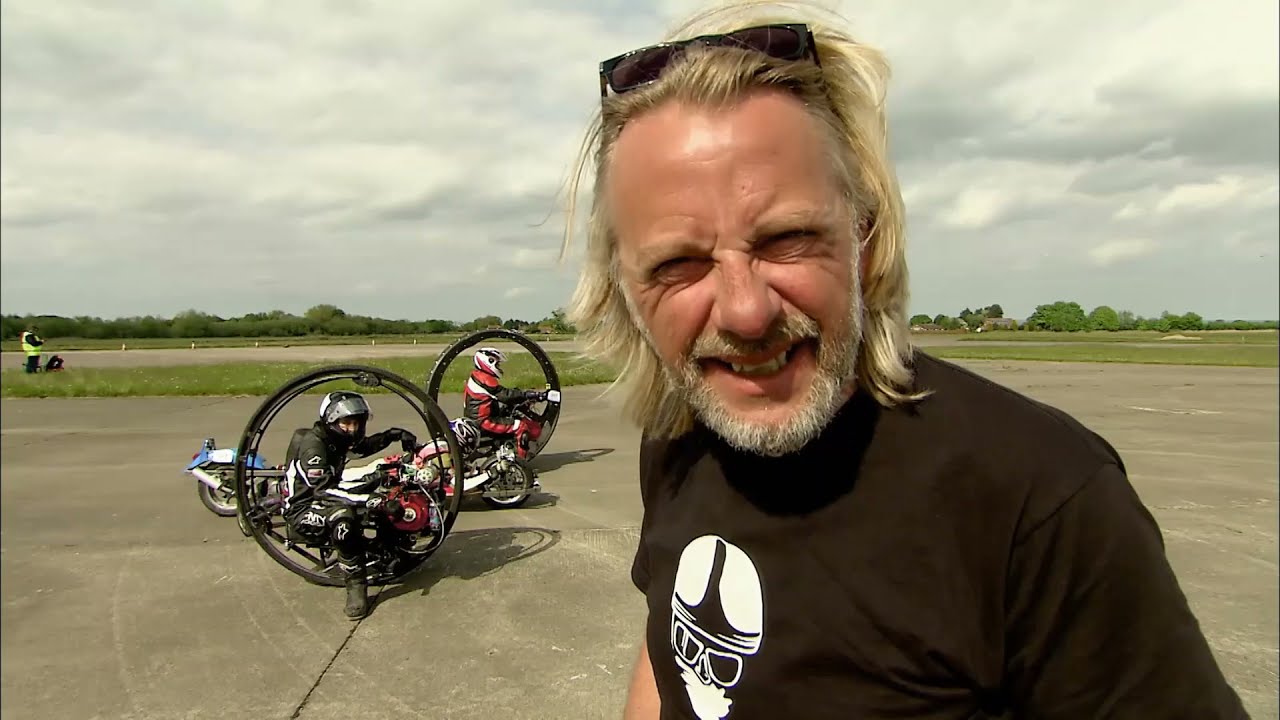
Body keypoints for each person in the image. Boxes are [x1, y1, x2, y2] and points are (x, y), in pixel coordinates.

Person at [558, 3, 1249, 718]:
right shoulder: (677, 436)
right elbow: (668, 649)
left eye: (787, 238)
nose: (745, 312)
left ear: (865, 238)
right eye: (677, 263)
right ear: (625, 294)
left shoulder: (1040, 498)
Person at [281, 390, 418, 620]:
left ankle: (389, 549)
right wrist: (376, 501)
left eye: (357, 423)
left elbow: (361, 448)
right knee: (343, 519)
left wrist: (393, 435)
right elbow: (323, 491)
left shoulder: (335, 439)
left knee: (382, 482)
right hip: (304, 508)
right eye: (347, 423)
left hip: (325, 498)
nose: (352, 429)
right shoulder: (314, 447)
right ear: (332, 420)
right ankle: (355, 584)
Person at [463, 347, 547, 456]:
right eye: (497, 364)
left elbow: (502, 394)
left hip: (477, 419)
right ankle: (521, 462)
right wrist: (529, 395)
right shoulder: (485, 379)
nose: (498, 367)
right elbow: (505, 396)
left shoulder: (477, 375)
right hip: (484, 422)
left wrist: (519, 395)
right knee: (520, 426)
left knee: (509, 411)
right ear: (489, 362)